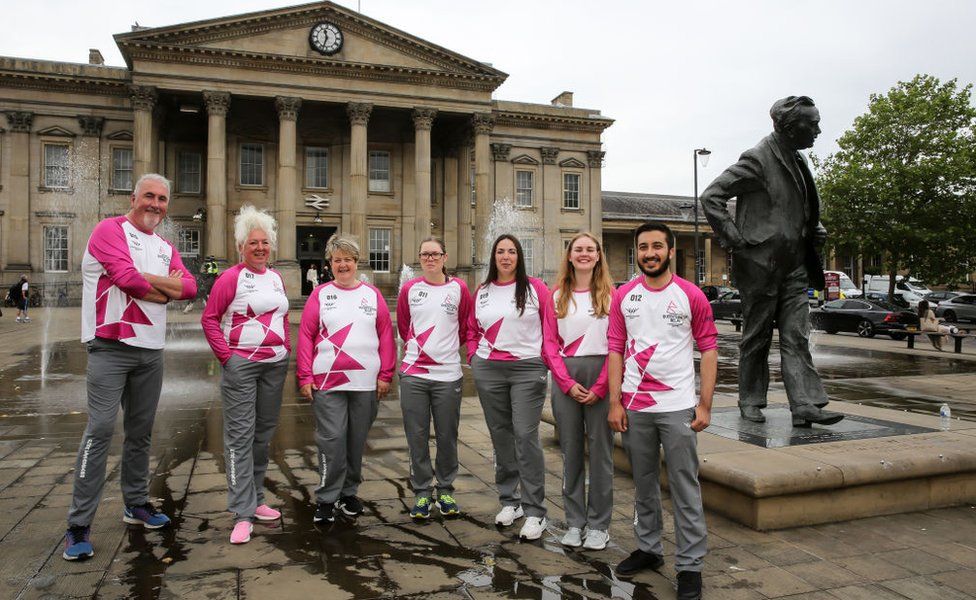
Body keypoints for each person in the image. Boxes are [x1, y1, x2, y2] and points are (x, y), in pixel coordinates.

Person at [63, 173, 197, 561]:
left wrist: (151, 283)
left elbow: (188, 289)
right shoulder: (109, 230)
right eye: (149, 196)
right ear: (134, 197)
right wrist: (162, 289)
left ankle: (136, 503)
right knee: (100, 429)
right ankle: (78, 525)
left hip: (150, 351)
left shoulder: (165, 246)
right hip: (109, 345)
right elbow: (124, 279)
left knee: (140, 431)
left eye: (162, 199)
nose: (155, 204)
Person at [700, 95, 843, 427]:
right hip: (761, 266)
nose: (819, 130)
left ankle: (805, 404)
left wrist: (814, 228)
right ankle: (750, 400)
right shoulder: (758, 159)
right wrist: (738, 241)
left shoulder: (799, 160)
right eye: (814, 123)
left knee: (796, 335)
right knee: (757, 336)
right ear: (792, 127)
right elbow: (712, 197)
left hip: (794, 265)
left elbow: (797, 210)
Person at [606, 221, 717, 600]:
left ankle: (690, 566)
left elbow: (709, 349)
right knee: (644, 483)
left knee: (685, 486)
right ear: (636, 252)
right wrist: (615, 402)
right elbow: (616, 349)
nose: (649, 253)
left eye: (657, 246)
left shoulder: (691, 295)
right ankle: (649, 548)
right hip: (635, 407)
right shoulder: (624, 296)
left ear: (671, 251)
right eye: (642, 247)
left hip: (678, 407)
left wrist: (704, 403)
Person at [468, 234, 576, 540]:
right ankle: (510, 501)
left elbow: (550, 328)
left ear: (519, 256)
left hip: (527, 370)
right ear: (494, 257)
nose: (505, 256)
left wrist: (544, 361)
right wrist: (474, 356)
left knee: (526, 436)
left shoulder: (535, 288)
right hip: (489, 370)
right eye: (500, 251)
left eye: (511, 251)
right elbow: (471, 329)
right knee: (501, 435)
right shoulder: (484, 290)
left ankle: (534, 511)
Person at [201, 206, 290, 545]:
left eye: (265, 242)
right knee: (240, 436)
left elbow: (282, 317)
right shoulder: (231, 278)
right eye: (253, 243)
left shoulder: (276, 277)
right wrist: (227, 358)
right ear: (241, 246)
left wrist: (286, 348)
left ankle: (258, 500)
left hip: (275, 365)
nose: (260, 248)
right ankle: (241, 511)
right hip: (242, 364)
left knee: (263, 435)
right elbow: (210, 319)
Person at [297, 235, 395, 524]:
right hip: (328, 382)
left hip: (365, 382)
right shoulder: (320, 295)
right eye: (337, 259)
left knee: (355, 441)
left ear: (356, 262)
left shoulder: (372, 295)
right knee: (332, 440)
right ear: (330, 264)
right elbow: (305, 334)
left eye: (348, 259)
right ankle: (327, 498)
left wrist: (385, 374)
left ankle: (348, 492)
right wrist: (304, 375)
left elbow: (386, 335)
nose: (343, 264)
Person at [397, 237, 472, 520]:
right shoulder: (409, 289)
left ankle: (446, 489)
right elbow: (405, 327)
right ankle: (421, 493)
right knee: (416, 436)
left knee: (447, 435)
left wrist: (444, 351)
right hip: (414, 374)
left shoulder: (458, 288)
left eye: (435, 254)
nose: (430, 258)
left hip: (448, 375)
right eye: (425, 254)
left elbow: (465, 327)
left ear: (445, 257)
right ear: (420, 258)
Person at [549, 232, 614, 550]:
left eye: (591, 249)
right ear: (570, 256)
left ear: (599, 255)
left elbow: (620, 345)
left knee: (601, 453)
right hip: (566, 378)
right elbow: (548, 345)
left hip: (602, 372)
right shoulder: (557, 295)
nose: (585, 254)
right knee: (571, 453)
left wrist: (602, 386)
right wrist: (565, 382)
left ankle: (600, 525)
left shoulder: (611, 296)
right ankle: (575, 522)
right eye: (579, 249)